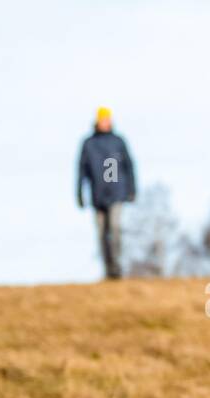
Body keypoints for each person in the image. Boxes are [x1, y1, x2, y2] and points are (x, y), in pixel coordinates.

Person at [76, 107, 136, 279]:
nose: (105, 123)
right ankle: (108, 269)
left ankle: (117, 267)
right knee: (101, 233)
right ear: (97, 121)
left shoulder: (118, 141)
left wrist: (131, 189)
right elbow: (81, 170)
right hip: (97, 194)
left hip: (117, 192)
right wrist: (79, 194)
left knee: (115, 228)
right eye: (102, 120)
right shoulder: (88, 144)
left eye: (107, 119)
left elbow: (129, 165)